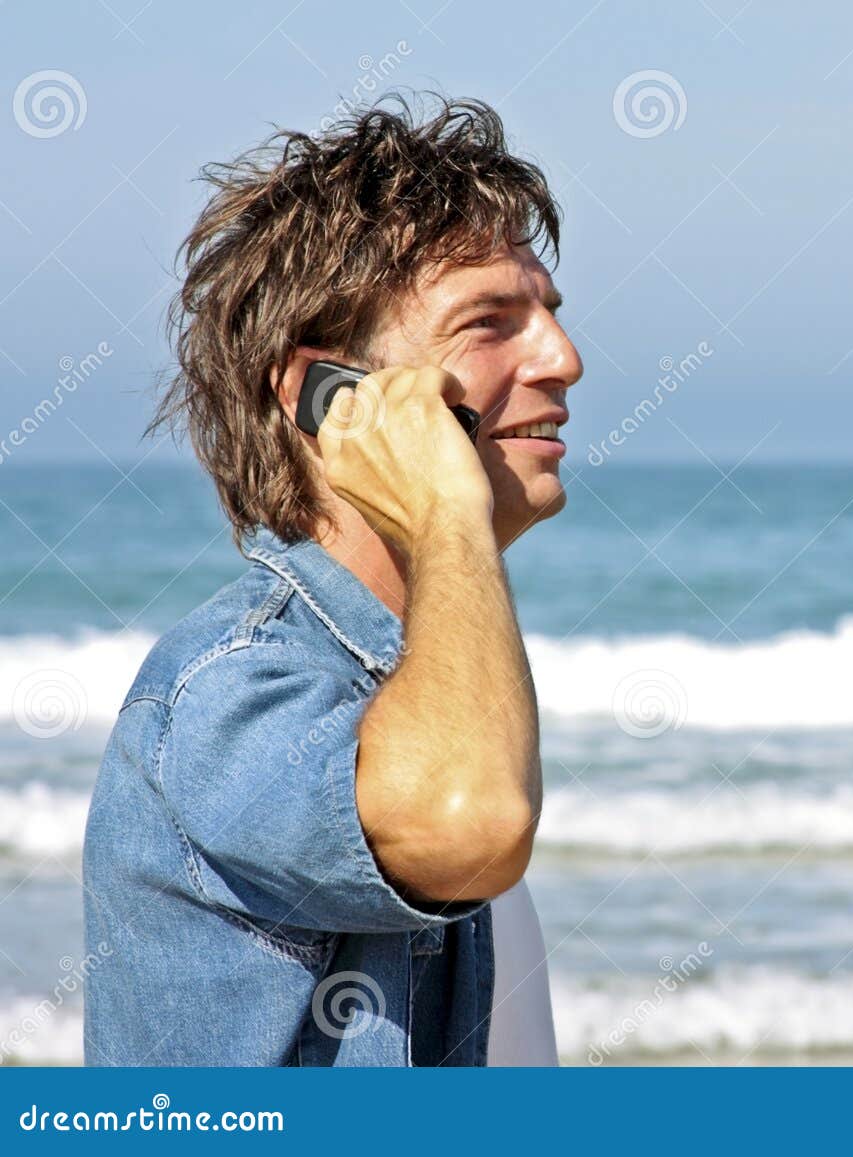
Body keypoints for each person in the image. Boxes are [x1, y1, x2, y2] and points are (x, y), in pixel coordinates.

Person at [80, 95, 580, 1066]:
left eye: (551, 316)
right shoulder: (237, 685)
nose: (563, 358)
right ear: (326, 393)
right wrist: (444, 511)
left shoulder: (431, 689)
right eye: (491, 322)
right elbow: (469, 820)